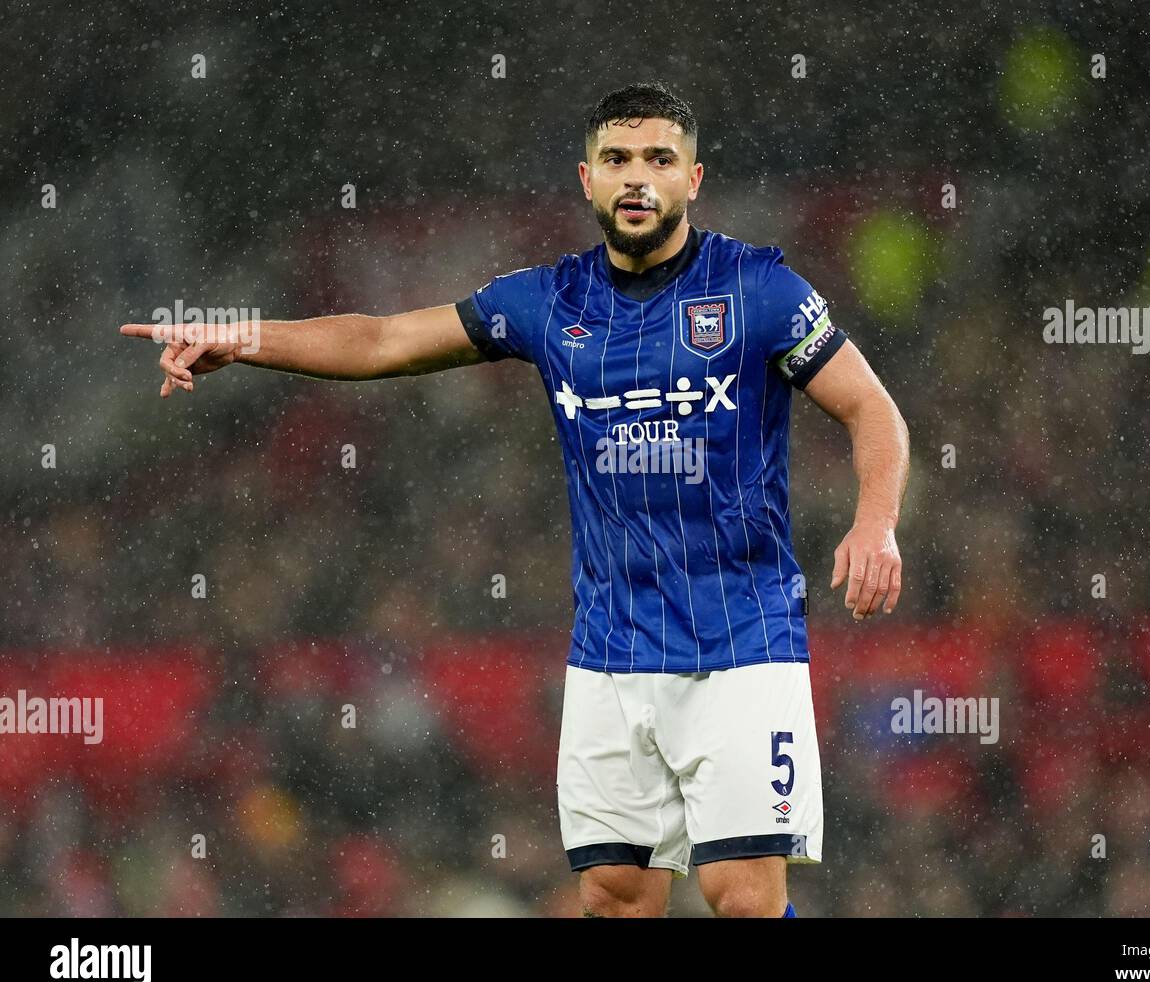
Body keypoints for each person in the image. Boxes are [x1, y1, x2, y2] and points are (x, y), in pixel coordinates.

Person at [121, 81, 909, 918]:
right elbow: (385, 338)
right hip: (612, 651)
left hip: (744, 640)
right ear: (586, 179)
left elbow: (873, 409)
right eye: (616, 160)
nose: (636, 179)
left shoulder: (759, 289)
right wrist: (245, 341)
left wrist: (876, 523)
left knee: (742, 898)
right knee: (613, 897)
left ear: (694, 179)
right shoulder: (546, 301)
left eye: (658, 160)